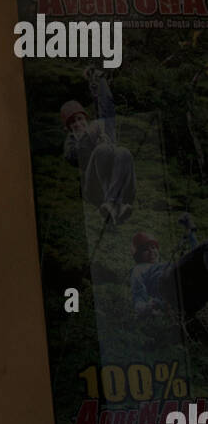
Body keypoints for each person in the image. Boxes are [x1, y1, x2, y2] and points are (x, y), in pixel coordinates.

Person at [61, 69, 136, 225]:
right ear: (68, 128)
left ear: (85, 118)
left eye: (80, 119)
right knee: (103, 149)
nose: (78, 124)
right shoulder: (71, 143)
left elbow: (107, 109)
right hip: (94, 189)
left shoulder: (98, 129)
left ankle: (115, 204)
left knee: (124, 152)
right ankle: (112, 202)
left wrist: (100, 81)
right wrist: (88, 136)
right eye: (73, 123)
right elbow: (75, 157)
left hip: (117, 183)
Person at [130, 230, 208, 329]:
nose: (151, 251)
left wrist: (191, 235)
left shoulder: (164, 264)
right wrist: (147, 308)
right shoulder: (139, 269)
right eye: (145, 249)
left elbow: (196, 260)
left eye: (153, 247)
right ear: (138, 256)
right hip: (167, 286)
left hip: (188, 295)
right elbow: (138, 297)